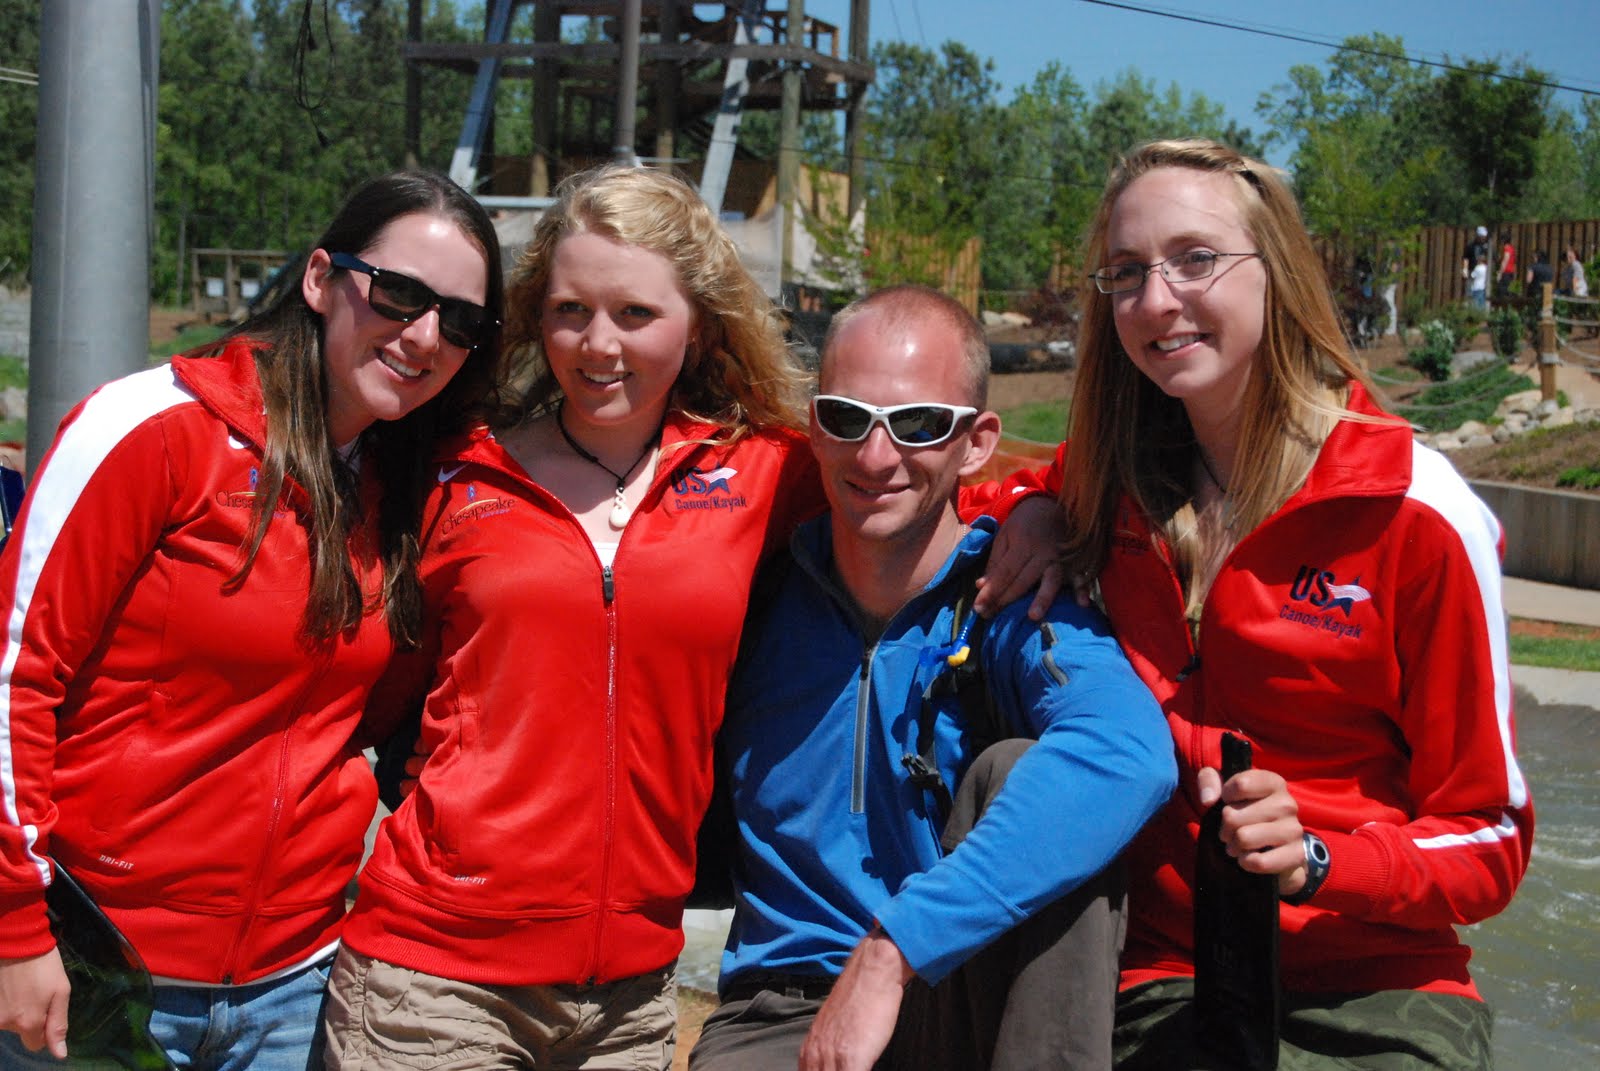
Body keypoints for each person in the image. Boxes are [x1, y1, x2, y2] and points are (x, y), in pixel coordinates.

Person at [993, 139, 1533, 1068]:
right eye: (1126, 273)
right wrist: (1029, 506)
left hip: (1376, 984)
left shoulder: (1418, 512)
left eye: (1196, 259)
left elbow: (1490, 839)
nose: (1156, 300)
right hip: (1157, 975)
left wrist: (1323, 860)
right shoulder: (1111, 480)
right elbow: (951, 492)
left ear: (1276, 271)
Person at [0, 169, 504, 1069]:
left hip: (296, 980)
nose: (424, 335)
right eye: (398, 293)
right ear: (319, 279)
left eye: (460, 321)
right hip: (99, 976)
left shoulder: (403, 486)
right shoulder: (155, 430)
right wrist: (13, 926)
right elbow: (14, 676)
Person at [688, 285, 1176, 1071]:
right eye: (847, 418)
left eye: (918, 426)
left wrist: (894, 948)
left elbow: (1130, 752)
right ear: (814, 425)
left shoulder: (1018, 598)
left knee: (1025, 772)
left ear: (978, 442)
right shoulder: (751, 591)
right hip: (779, 1013)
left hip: (958, 990)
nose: (876, 457)